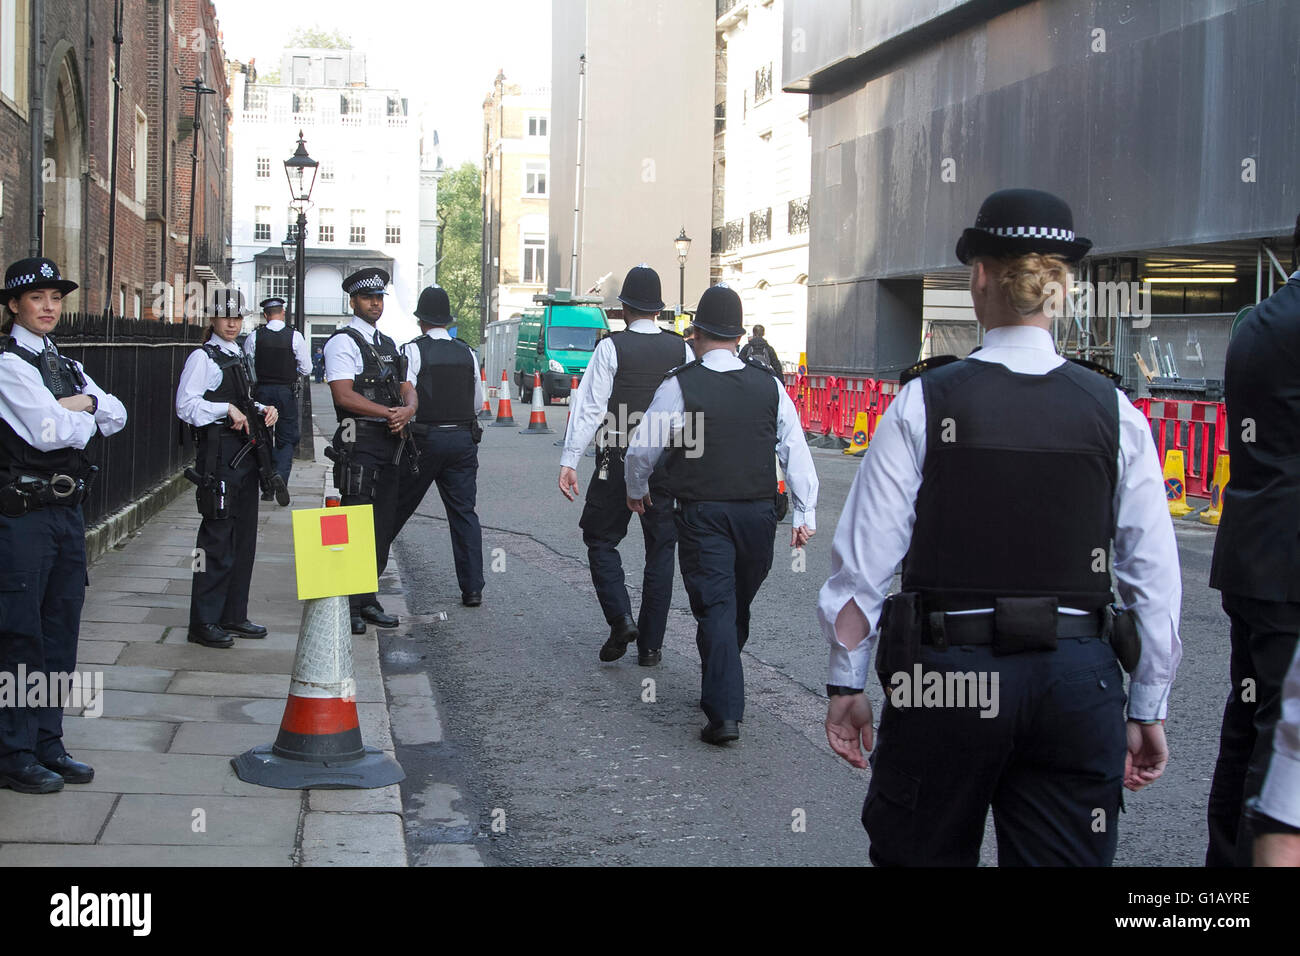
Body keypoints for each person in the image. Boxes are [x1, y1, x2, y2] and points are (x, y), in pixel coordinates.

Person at [817, 188, 1181, 865]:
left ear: (979, 276)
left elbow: (864, 567)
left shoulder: (924, 402)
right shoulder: (1116, 412)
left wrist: (846, 684)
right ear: (1061, 289)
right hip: (1077, 681)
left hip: (946, 676)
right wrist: (1148, 704)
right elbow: (1153, 576)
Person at [625, 284, 818, 744]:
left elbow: (641, 449)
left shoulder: (681, 383)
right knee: (734, 603)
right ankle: (723, 695)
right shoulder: (769, 384)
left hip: (703, 513)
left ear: (697, 334)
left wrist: (636, 490)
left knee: (718, 606)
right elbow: (794, 448)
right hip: (759, 515)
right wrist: (806, 511)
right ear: (736, 336)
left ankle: (723, 702)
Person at [0, 257, 127, 794]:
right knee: (19, 637)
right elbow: (50, 434)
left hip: (67, 514)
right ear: (13, 305)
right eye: (37, 299)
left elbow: (116, 414)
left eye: (56, 298)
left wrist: (83, 401)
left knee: (61, 633)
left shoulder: (65, 364)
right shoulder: (8, 363)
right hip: (23, 518)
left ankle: (49, 742)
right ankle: (14, 750)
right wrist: (79, 414)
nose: (50, 307)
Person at [1206, 212, 1300, 867]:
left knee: (1247, 728)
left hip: (1255, 554)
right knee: (1279, 744)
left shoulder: (1257, 321)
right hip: (1290, 566)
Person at [558, 265, 693, 666]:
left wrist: (570, 460)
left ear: (624, 308)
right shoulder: (681, 348)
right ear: (657, 309)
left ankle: (620, 619)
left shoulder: (611, 347)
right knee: (661, 549)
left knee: (601, 539)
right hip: (668, 461)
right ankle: (651, 646)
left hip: (617, 456)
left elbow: (590, 408)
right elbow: (689, 411)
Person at [176, 289, 278, 650]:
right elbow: (186, 406)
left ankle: (234, 614)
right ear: (212, 319)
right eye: (225, 317)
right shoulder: (202, 358)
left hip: (246, 458)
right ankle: (203, 620)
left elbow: (241, 399)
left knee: (244, 539)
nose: (232, 323)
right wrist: (224, 411)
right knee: (215, 541)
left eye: (237, 317)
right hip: (219, 459)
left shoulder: (238, 352)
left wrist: (264, 408)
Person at [323, 267, 418, 635]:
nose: (375, 303)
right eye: (368, 298)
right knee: (352, 523)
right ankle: (346, 604)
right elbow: (343, 394)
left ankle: (367, 597)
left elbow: (408, 386)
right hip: (359, 442)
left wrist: (408, 409)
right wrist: (388, 413)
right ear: (353, 301)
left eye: (379, 298)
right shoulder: (342, 342)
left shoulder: (389, 344)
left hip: (390, 442)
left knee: (380, 526)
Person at [395, 286, 485, 608]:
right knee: (464, 514)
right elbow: (478, 402)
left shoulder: (412, 351)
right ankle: (472, 588)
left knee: (398, 505)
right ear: (447, 320)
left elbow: (405, 397)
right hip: (462, 440)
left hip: (425, 439)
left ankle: (370, 572)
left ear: (421, 320)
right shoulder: (467, 352)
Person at [243, 296, 310, 499]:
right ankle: (280, 476)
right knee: (286, 438)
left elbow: (247, 368)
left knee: (262, 438)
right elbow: (307, 368)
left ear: (265, 315)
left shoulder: (254, 337)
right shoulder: (295, 336)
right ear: (282, 312)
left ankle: (266, 486)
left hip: (261, 391)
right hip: (286, 392)